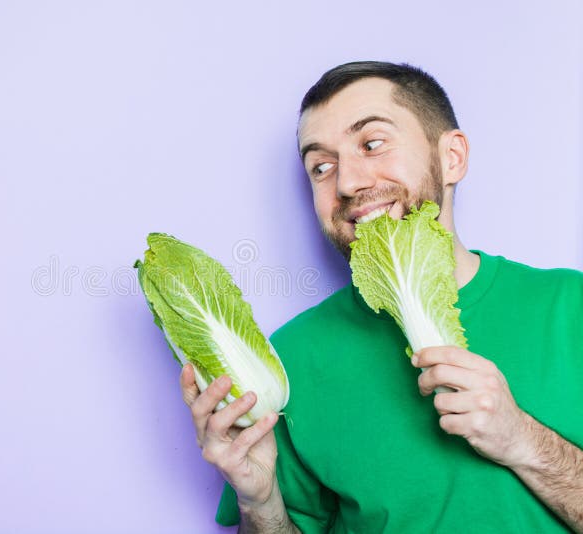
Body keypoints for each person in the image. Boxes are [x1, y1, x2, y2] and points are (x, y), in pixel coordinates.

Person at [179, 61, 583, 533]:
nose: (347, 183)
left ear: (452, 157)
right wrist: (261, 500)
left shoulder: (570, 306)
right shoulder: (285, 363)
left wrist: (523, 442)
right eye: (321, 167)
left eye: (372, 144)